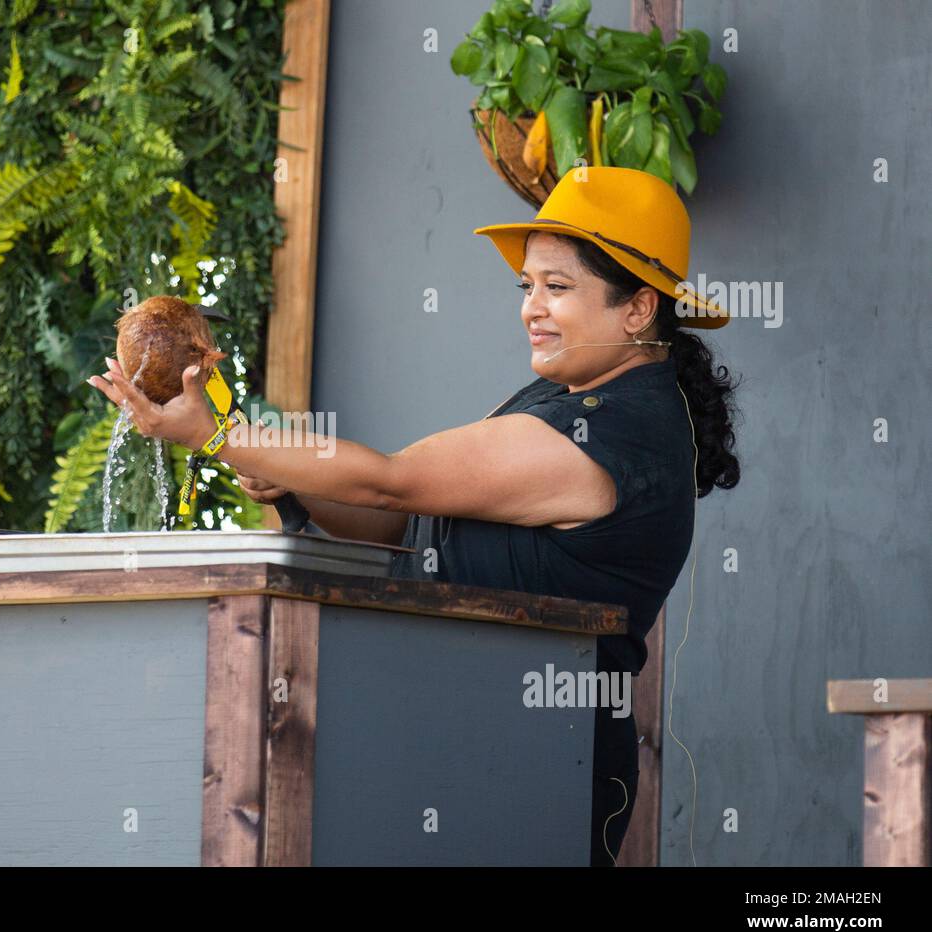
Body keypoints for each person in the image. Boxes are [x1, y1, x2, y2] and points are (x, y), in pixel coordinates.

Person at [87, 165, 742, 866]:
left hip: (532, 768)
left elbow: (391, 482)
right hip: (452, 745)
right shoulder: (556, 402)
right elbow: (404, 528)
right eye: (527, 287)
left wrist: (216, 436)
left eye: (558, 287)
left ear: (638, 308)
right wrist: (278, 476)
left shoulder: (620, 431)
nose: (532, 308)